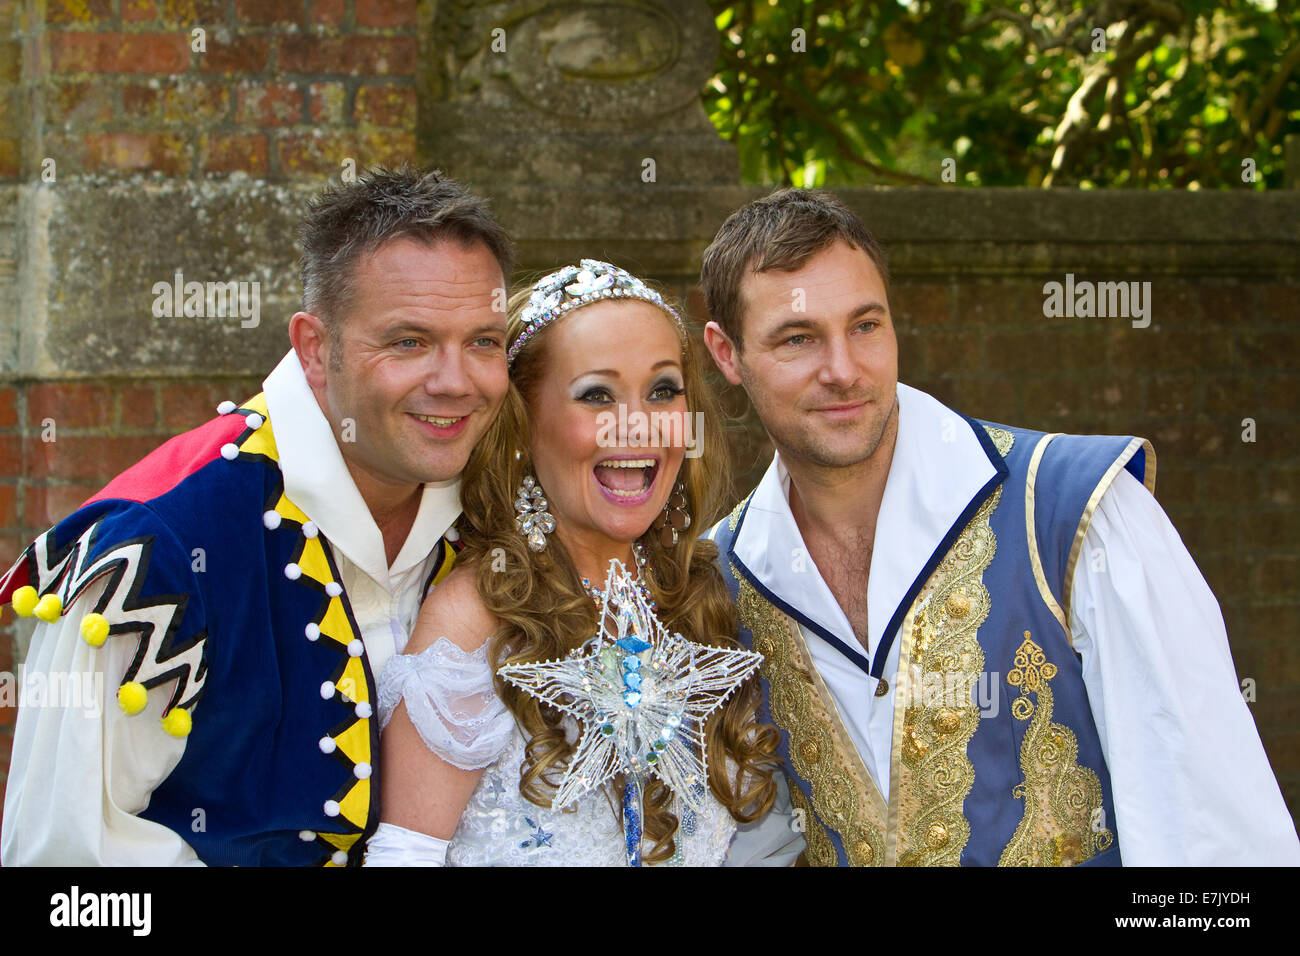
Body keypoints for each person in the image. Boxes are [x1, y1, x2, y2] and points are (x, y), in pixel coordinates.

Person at [700, 187, 1300, 866]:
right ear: (726, 354)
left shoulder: (1076, 511)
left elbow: (1216, 841)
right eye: (799, 339)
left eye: (866, 325)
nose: (844, 370)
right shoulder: (719, 582)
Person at [0, 167, 513, 866]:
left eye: (484, 341)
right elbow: (63, 882)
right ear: (313, 349)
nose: (457, 381)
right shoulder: (158, 550)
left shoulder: (499, 516)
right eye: (408, 342)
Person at [364, 259, 797, 866]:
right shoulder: (474, 623)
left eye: (663, 391)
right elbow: (403, 855)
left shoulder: (707, 596)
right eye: (597, 395)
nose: (638, 426)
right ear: (522, 422)